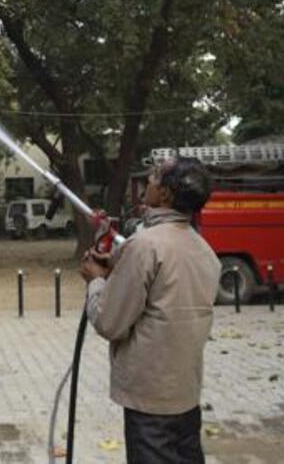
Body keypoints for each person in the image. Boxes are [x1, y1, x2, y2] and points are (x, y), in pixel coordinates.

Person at [80, 157, 221, 463]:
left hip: (150, 402)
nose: (148, 182)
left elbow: (109, 322)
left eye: (155, 178)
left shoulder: (145, 245)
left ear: (166, 195)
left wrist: (96, 282)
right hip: (185, 395)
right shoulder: (203, 249)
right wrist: (117, 267)